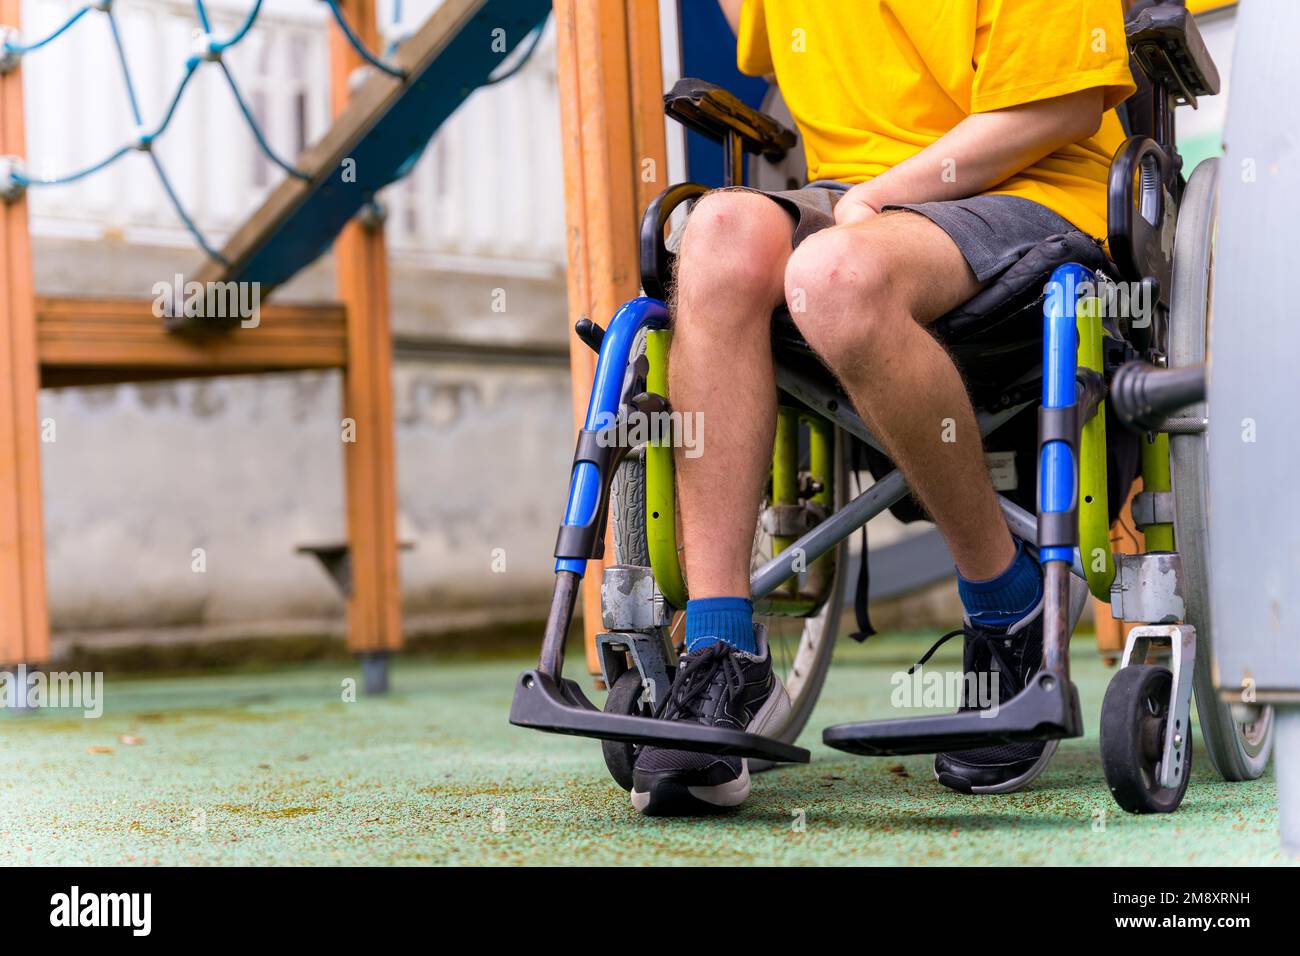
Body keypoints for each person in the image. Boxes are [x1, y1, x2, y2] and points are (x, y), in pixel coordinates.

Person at [630, 0, 1137, 816]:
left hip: (1028, 193)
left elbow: (1062, 103)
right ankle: (719, 647)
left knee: (833, 276)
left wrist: (884, 196)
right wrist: (864, 203)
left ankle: (1010, 609)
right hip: (852, 202)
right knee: (716, 230)